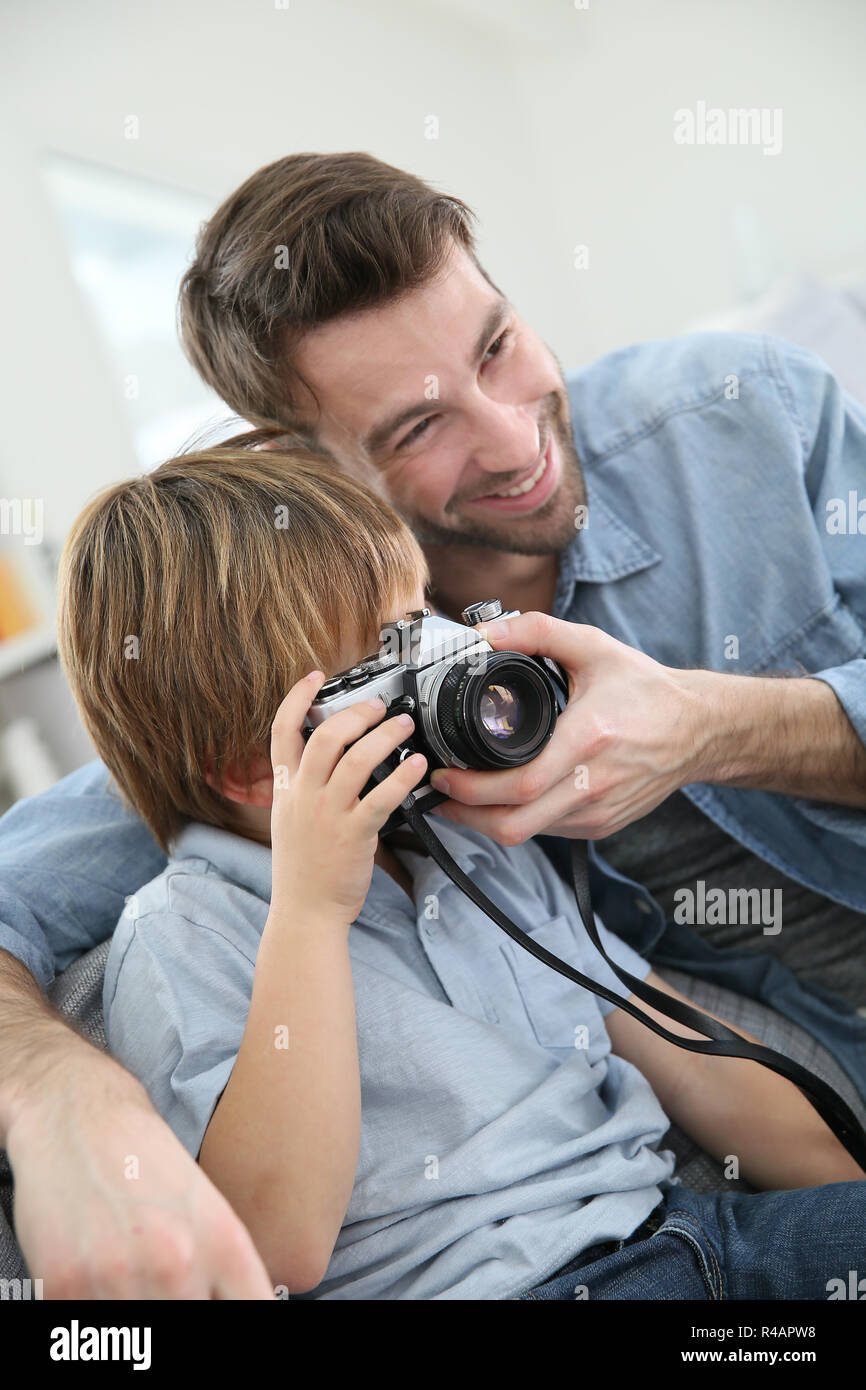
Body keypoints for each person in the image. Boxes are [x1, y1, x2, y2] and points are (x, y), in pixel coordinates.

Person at [1, 151, 865, 1295]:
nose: (512, 442)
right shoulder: (251, 795)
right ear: (320, 471)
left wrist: (713, 724)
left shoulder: (743, 413)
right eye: (416, 427)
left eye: (497, 344)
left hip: (702, 1233)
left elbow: (666, 1046)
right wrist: (64, 1104)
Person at [56, 438, 866, 1300]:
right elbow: (276, 1248)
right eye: (386, 655)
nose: (444, 657)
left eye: (424, 618)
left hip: (690, 1237)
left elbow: (692, 1059)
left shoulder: (473, 845)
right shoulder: (185, 936)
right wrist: (311, 913)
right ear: (254, 767)